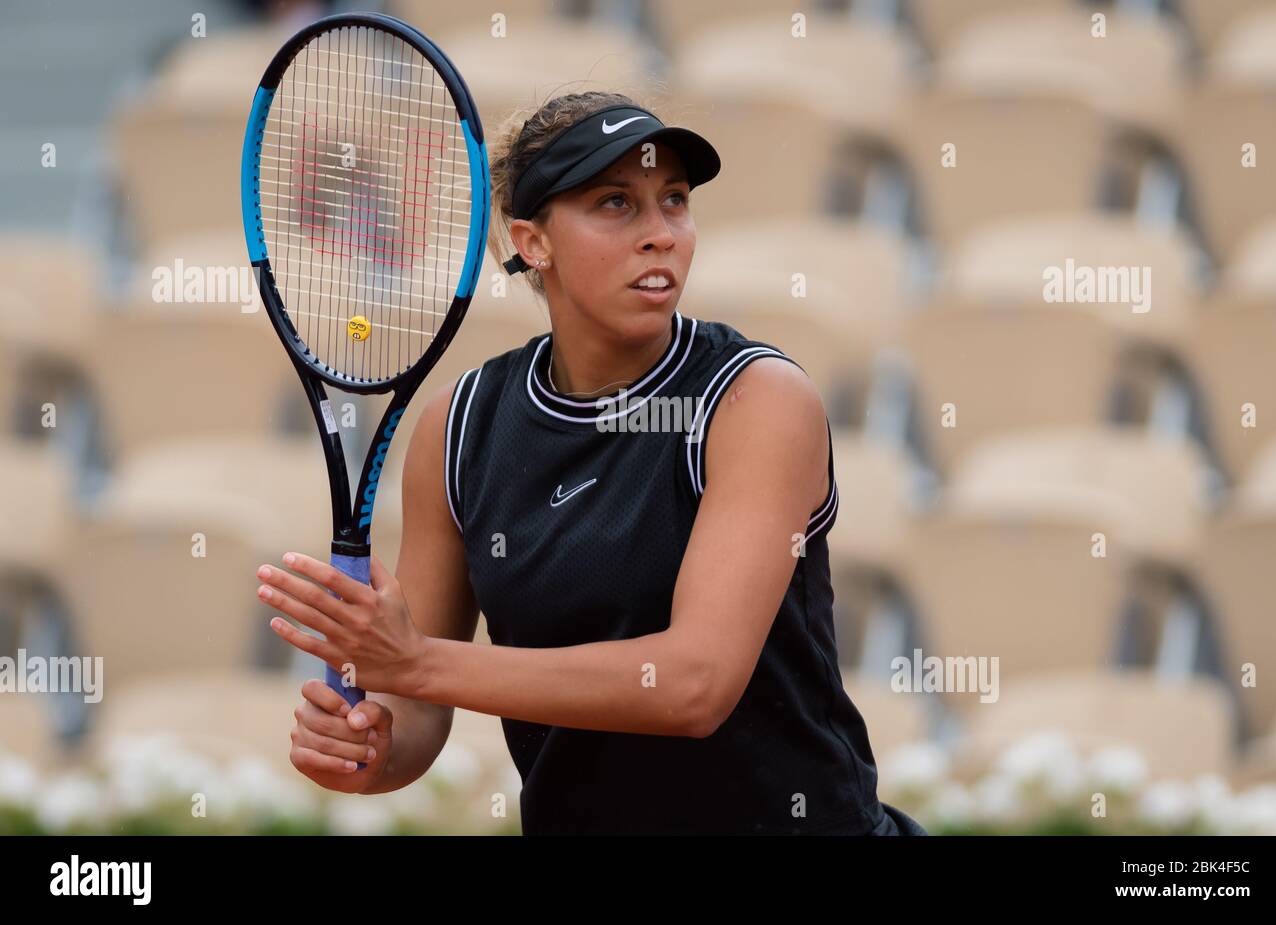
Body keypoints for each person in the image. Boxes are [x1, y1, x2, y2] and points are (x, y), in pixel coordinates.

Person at [256, 90, 922, 835]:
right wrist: (370, 746)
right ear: (532, 241)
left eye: (673, 200)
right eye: (616, 204)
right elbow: (415, 713)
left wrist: (412, 663)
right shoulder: (458, 428)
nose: (661, 234)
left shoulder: (758, 400)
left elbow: (693, 685)